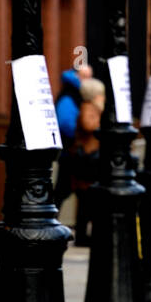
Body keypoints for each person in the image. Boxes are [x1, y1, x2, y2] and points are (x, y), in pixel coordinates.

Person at [69, 78, 105, 246]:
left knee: (88, 200)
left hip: (91, 159)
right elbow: (88, 125)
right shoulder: (88, 107)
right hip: (87, 160)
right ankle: (82, 235)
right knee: (85, 201)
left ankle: (85, 234)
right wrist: (101, 114)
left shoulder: (92, 107)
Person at [54, 63, 93, 211]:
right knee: (65, 190)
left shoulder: (75, 94)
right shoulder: (70, 96)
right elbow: (65, 123)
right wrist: (80, 133)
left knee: (78, 192)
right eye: (85, 76)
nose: (88, 80)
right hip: (71, 151)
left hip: (74, 152)